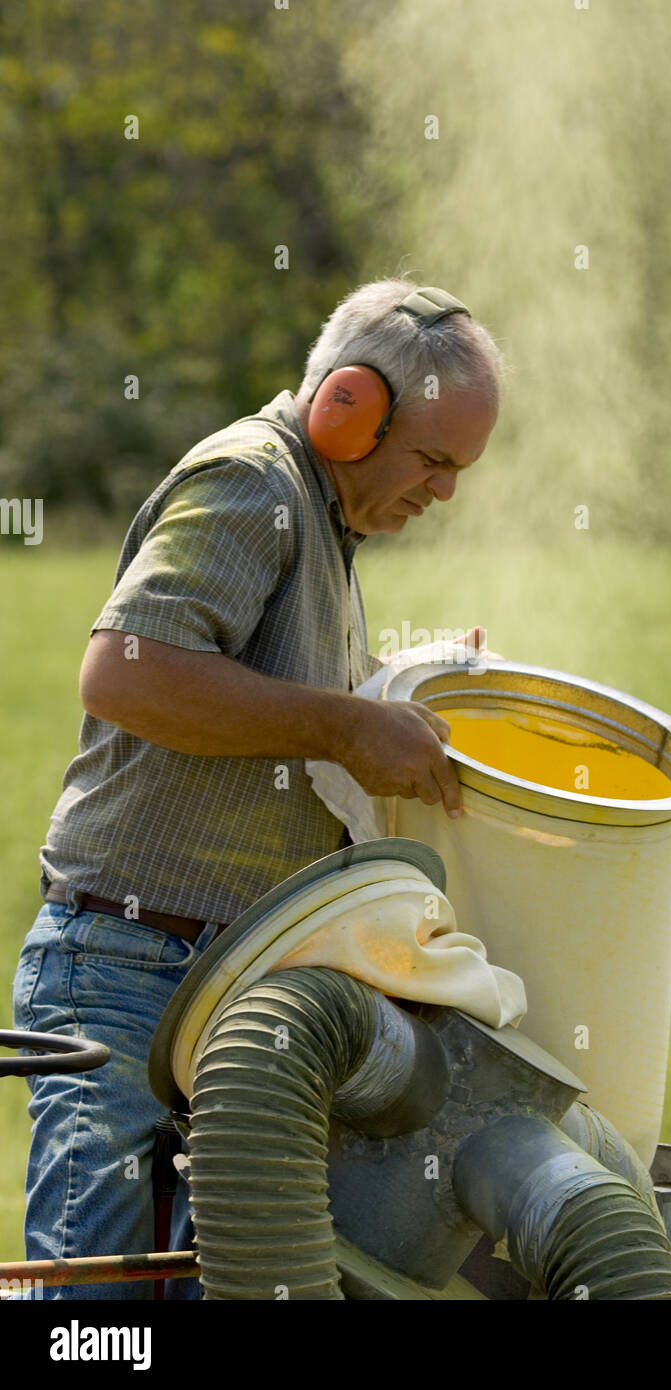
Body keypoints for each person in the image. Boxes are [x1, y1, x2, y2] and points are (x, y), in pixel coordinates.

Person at [10, 278, 504, 1299]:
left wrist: (398, 685)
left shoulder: (324, 523)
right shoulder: (254, 485)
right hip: (131, 968)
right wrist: (344, 720)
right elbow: (126, 670)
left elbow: (263, 698)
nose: (444, 491)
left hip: (218, 980)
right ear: (349, 410)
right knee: (94, 1312)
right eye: (433, 459)